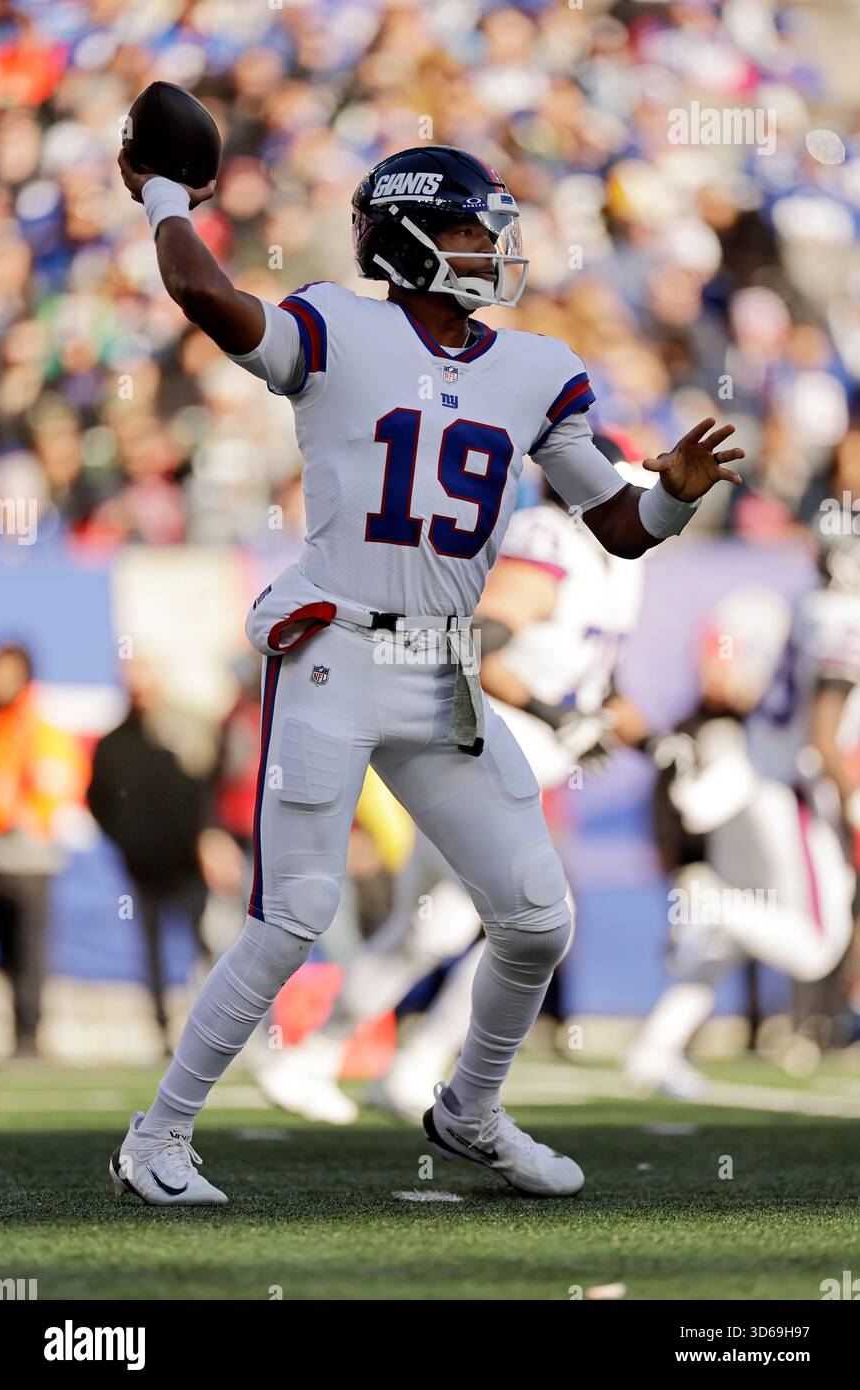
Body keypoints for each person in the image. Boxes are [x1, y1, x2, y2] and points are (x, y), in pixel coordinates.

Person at [111, 143, 743, 1204]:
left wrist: (672, 494)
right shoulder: (334, 325)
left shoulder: (536, 369)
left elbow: (620, 528)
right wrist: (166, 192)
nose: (489, 247)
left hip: (445, 667)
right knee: (295, 911)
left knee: (535, 915)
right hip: (337, 648)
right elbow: (199, 288)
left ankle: (469, 1108)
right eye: (465, 229)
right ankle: (157, 1136)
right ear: (406, 240)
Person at [258, 435, 646, 1125]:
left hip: (499, 755)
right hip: (482, 748)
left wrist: (653, 739)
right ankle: (431, 1077)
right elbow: (479, 640)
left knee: (428, 933)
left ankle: (317, 1060)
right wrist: (554, 712)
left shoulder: (608, 567)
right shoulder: (551, 537)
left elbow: (600, 682)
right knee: (540, 923)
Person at [626, 585, 856, 1098]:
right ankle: (706, 899)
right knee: (815, 947)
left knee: (729, 940)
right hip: (785, 787)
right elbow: (820, 726)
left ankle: (654, 1047)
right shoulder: (836, 613)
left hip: (751, 780)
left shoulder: (797, 610)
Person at [87, 661, 214, 1050]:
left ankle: (217, 1028)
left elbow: (207, 788)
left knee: (207, 942)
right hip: (142, 866)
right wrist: (126, 840)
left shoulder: (186, 731)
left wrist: (208, 837)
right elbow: (97, 800)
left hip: (190, 863)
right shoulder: (113, 745)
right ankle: (162, 1031)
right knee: (153, 949)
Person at [0, 643, 88, 1056]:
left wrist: (22, 804)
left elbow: (61, 781)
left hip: (29, 857)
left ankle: (28, 1039)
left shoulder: (40, 727)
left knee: (28, 953)